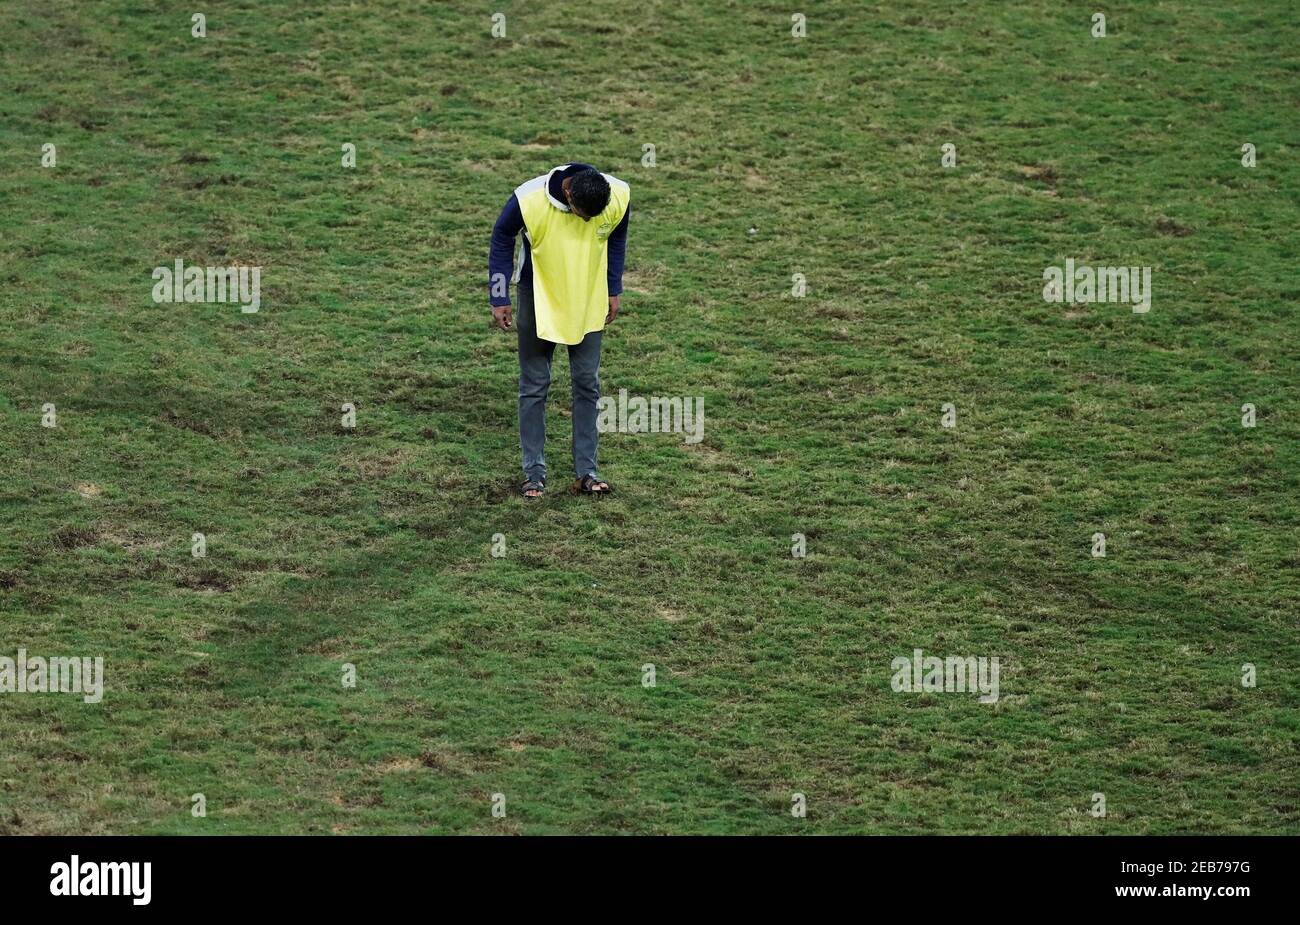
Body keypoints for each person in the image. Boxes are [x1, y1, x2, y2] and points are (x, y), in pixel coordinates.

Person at [488, 163, 630, 498]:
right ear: (568, 193)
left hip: (587, 295)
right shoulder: (528, 198)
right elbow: (501, 235)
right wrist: (498, 293)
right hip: (538, 295)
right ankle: (533, 473)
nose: (586, 222)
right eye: (582, 215)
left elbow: (618, 234)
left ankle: (587, 471)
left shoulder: (616, 195)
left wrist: (613, 287)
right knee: (535, 384)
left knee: (587, 383)